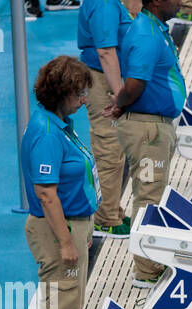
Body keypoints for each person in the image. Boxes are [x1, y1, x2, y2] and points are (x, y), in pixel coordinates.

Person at [21, 55, 101, 309]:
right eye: (79, 93)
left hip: (70, 225)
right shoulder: (46, 133)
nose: (84, 100)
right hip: (57, 231)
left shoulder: (59, 123)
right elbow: (45, 193)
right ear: (62, 93)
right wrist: (67, 240)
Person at [104, 0, 188, 288]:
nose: (180, 1)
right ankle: (147, 269)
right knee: (148, 196)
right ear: (157, 1)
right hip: (147, 128)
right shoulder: (145, 34)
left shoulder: (154, 28)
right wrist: (120, 104)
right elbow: (135, 84)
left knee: (151, 193)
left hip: (152, 125)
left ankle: (149, 260)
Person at [78, 0, 142, 238]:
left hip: (111, 77)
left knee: (116, 149)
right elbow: (105, 52)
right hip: (104, 81)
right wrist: (120, 93)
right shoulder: (103, 3)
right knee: (109, 149)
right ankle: (105, 219)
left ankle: (112, 210)